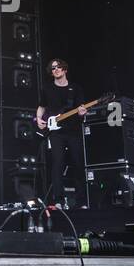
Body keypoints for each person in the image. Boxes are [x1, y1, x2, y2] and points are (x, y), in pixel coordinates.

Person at [36, 58, 90, 205]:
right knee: (57, 163)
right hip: (56, 132)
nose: (56, 69)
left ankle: (81, 201)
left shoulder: (75, 89)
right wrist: (38, 119)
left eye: (59, 67)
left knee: (77, 163)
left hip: (73, 131)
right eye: (53, 68)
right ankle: (58, 200)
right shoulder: (46, 89)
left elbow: (81, 109)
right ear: (51, 72)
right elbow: (42, 106)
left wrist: (82, 113)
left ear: (65, 70)